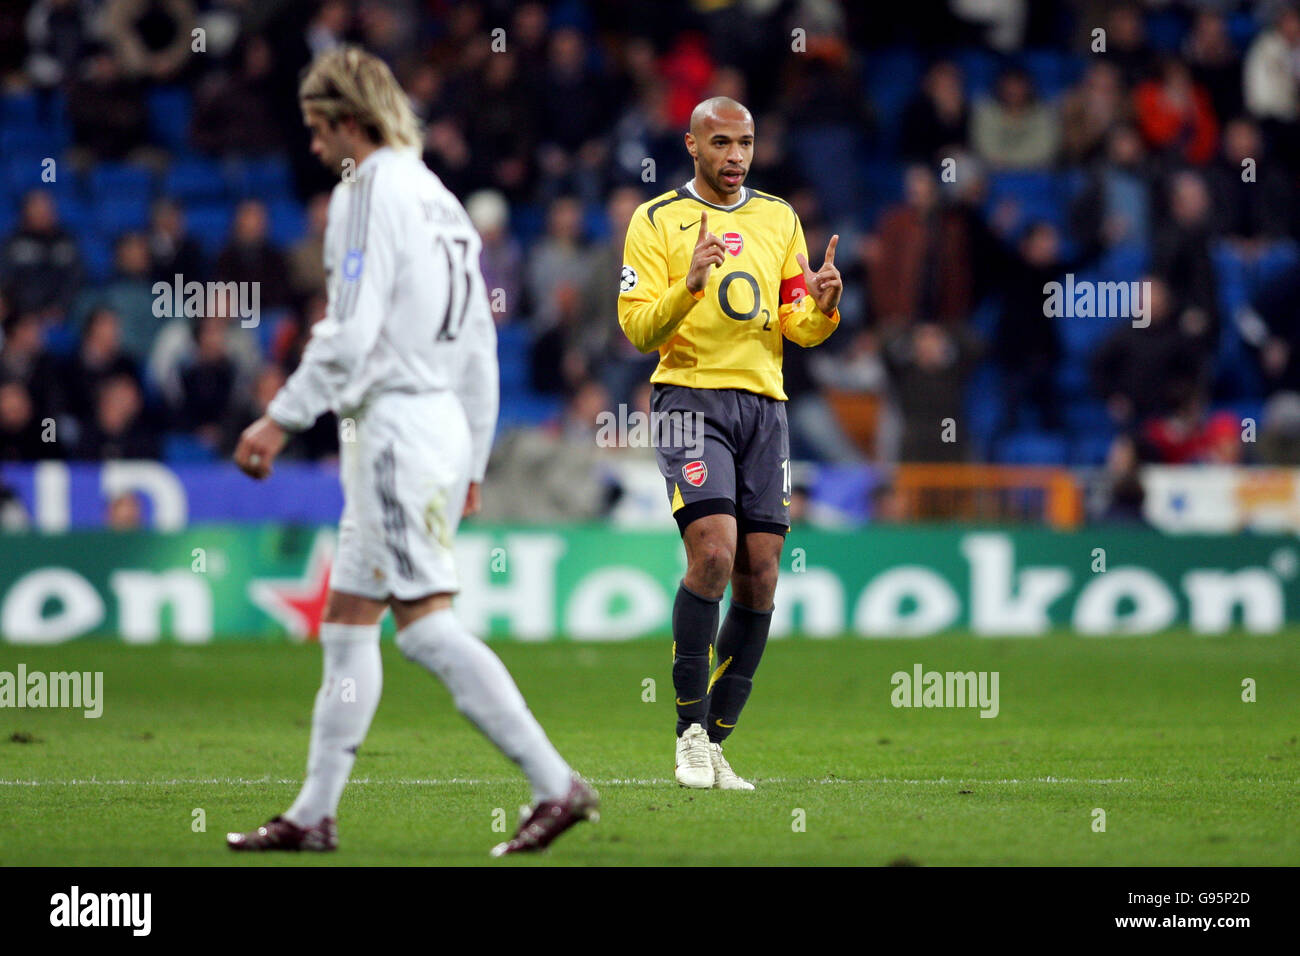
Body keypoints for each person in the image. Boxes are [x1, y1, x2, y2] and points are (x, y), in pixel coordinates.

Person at [226, 47, 596, 857]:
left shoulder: (368, 191)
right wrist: (470, 460)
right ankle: (314, 813)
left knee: (425, 627)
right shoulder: (441, 201)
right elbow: (480, 348)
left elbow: (350, 332)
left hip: (394, 428)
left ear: (350, 123)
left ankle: (553, 782)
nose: (316, 149)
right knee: (349, 626)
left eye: (320, 130)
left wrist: (278, 418)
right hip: (430, 428)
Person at [617, 96, 842, 790]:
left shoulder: (779, 218)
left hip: (764, 405)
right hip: (689, 396)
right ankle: (687, 733)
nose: (735, 155)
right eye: (720, 142)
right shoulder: (656, 220)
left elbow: (797, 322)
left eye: (744, 142)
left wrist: (825, 306)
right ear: (691, 144)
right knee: (713, 553)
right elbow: (636, 328)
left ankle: (716, 742)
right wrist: (687, 287)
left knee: (762, 572)